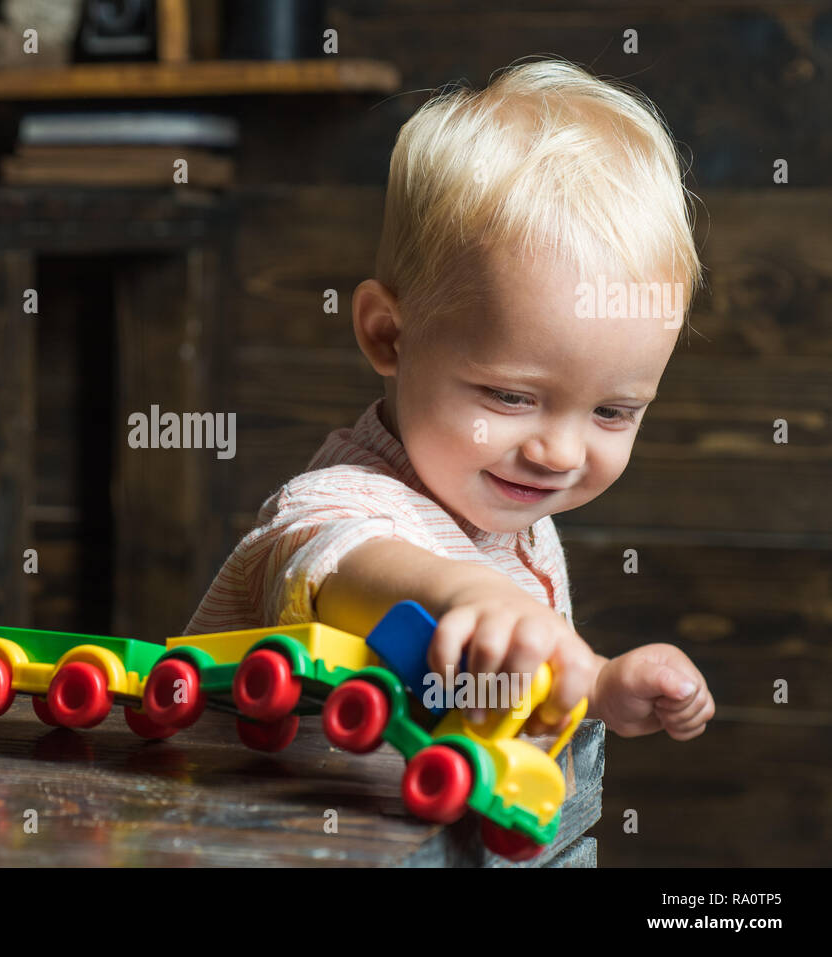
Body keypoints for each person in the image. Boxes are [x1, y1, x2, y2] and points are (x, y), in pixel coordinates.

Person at [185, 59, 715, 741]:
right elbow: (342, 563)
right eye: (510, 396)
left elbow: (501, 684)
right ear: (388, 335)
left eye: (612, 411)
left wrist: (601, 683)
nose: (559, 450)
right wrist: (470, 596)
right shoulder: (341, 502)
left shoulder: (518, 527)